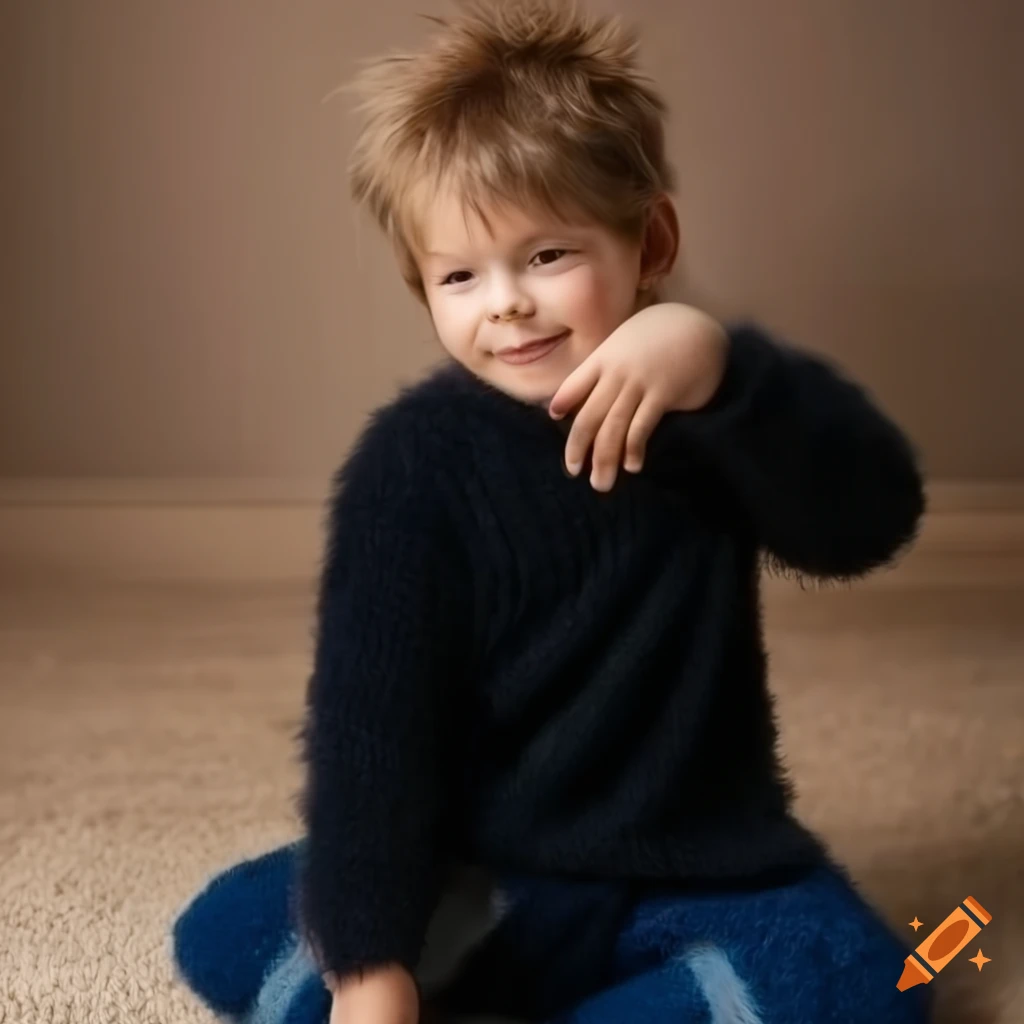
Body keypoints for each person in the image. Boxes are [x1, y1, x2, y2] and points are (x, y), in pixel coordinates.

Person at [172, 1, 933, 1021]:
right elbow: (368, 731)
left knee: (892, 978)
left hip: (701, 870)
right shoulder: (413, 466)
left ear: (649, 239)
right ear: (423, 291)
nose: (506, 304)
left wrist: (722, 368)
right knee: (238, 925)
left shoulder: (713, 412)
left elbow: (870, 516)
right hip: (483, 870)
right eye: (458, 275)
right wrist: (369, 968)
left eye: (546, 256)